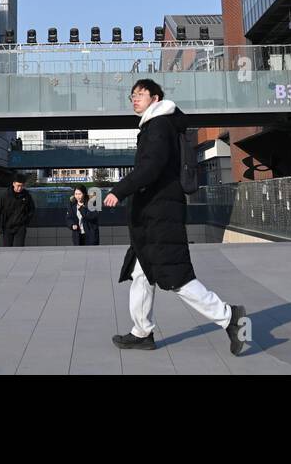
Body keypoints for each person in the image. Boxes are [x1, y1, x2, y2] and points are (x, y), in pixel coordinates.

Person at [106, 78, 247, 355]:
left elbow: (151, 168)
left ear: (155, 98)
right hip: (153, 214)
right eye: (132, 95)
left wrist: (119, 190)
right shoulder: (154, 125)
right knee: (141, 271)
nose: (134, 99)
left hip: (161, 213)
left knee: (177, 278)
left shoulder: (158, 126)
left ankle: (230, 316)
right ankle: (142, 332)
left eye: (141, 94)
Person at [0, 175, 34, 247]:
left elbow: (31, 209)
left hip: (20, 226)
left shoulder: (26, 195)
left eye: (22, 186)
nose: (20, 188)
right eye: (18, 185)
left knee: (19, 248)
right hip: (7, 226)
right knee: (7, 248)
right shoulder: (5, 195)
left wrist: (25, 221)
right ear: (13, 184)